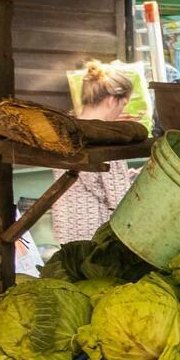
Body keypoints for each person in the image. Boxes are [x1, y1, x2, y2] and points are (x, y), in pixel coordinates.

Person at [43, 59, 139, 246]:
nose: (122, 110)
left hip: (67, 231)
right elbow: (120, 198)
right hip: (97, 235)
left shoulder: (66, 130)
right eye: (123, 103)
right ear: (112, 101)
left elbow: (92, 181)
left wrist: (130, 175)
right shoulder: (108, 137)